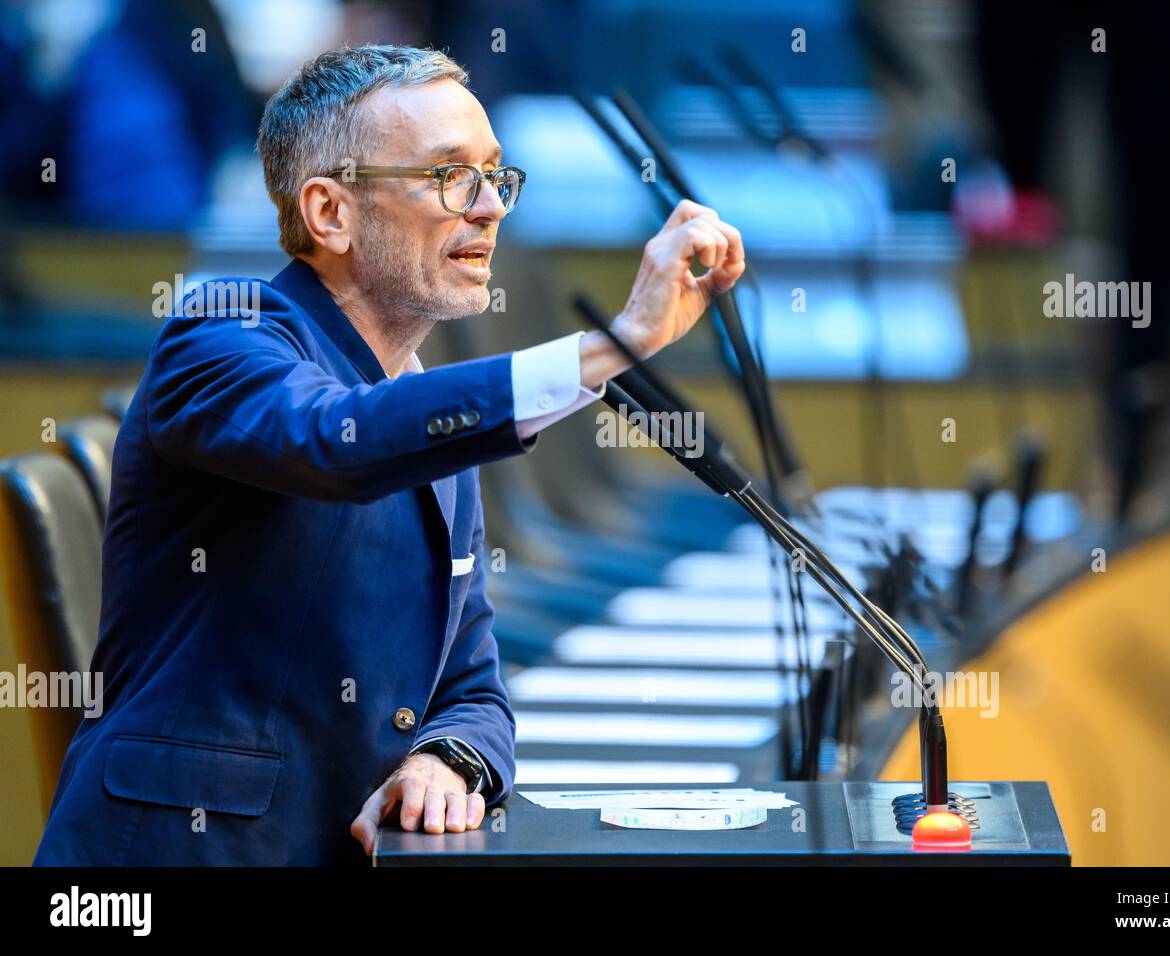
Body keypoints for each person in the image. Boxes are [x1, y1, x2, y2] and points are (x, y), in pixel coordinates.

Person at [34, 44, 744, 865]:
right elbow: (337, 441)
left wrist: (449, 758)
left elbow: (474, 687)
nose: (489, 208)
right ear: (330, 213)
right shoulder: (219, 335)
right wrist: (612, 347)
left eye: (496, 176)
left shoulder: (431, 403)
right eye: (450, 176)